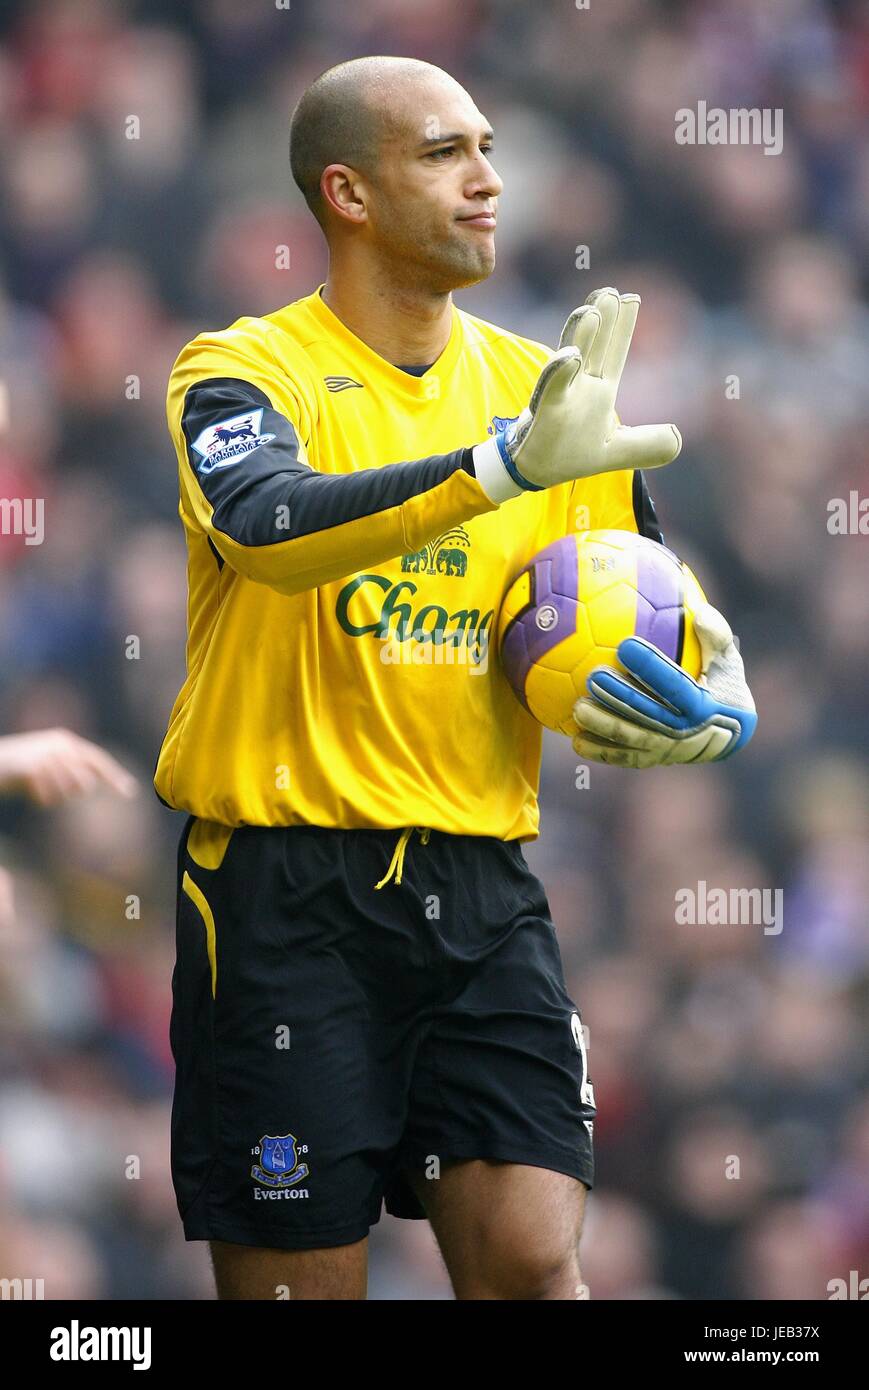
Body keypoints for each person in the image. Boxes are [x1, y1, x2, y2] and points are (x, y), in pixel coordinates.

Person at [155, 56, 755, 1300]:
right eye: (442, 153)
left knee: (536, 1266)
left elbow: (649, 593)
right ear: (348, 193)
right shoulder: (240, 369)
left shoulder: (546, 392)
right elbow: (270, 530)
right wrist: (495, 469)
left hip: (477, 888)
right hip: (281, 897)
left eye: (486, 147)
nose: (488, 180)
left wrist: (720, 687)